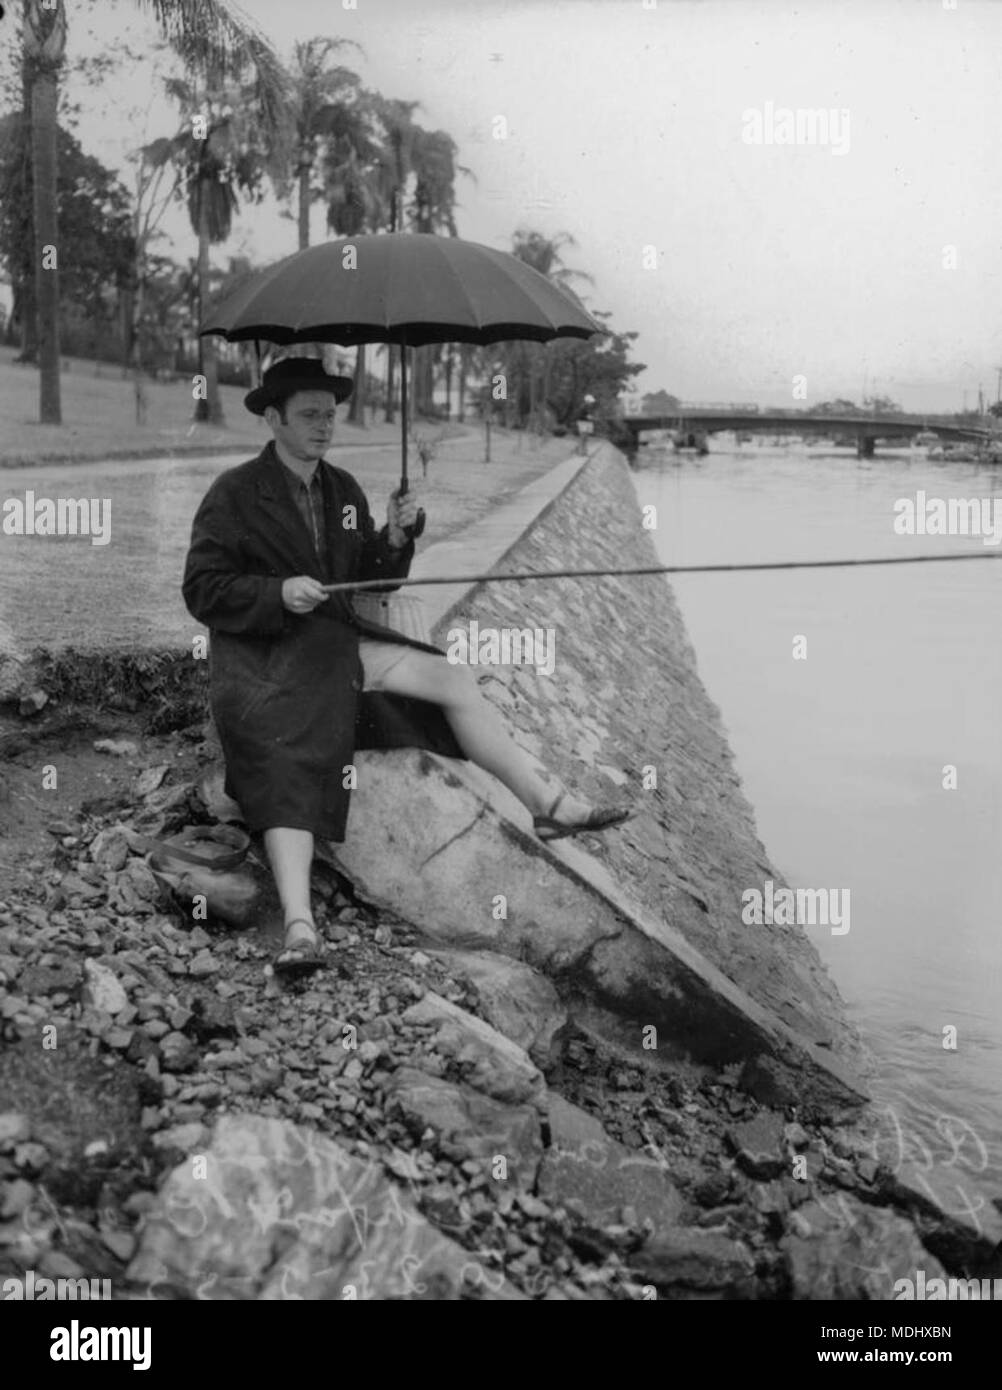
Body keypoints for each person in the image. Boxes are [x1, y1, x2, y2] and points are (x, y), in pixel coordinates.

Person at [182, 358, 632, 978]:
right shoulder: (234, 493)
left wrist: (393, 538)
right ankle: (299, 927)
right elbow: (202, 589)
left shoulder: (340, 489)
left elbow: (375, 576)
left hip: (340, 648)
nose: (325, 426)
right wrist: (277, 594)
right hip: (267, 662)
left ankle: (547, 803)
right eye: (310, 415)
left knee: (452, 678)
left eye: (331, 414)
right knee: (285, 755)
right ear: (272, 418)